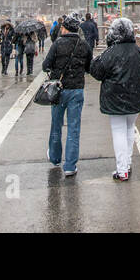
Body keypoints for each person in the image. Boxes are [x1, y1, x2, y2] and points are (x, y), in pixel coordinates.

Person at [89, 17, 140, 181]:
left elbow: (95, 71)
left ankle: (122, 169)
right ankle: (127, 164)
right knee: (130, 129)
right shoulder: (139, 52)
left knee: (118, 132)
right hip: (134, 97)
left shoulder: (110, 53)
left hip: (115, 98)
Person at [42, 15, 93, 177]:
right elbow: (89, 66)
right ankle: (70, 165)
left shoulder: (58, 43)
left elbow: (46, 65)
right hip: (77, 89)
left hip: (59, 89)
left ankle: (56, 157)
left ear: (65, 28)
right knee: (73, 128)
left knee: (56, 125)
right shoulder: (83, 45)